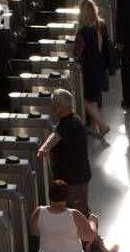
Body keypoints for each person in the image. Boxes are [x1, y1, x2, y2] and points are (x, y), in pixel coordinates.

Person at [37, 90, 93, 218]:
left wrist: (45, 148)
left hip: (74, 180)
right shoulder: (69, 120)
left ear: (58, 106)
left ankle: (88, 237)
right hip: (72, 178)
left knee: (78, 215)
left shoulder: (71, 123)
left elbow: (56, 137)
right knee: (77, 212)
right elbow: (57, 133)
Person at [74, 0, 110, 139]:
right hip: (100, 65)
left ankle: (102, 125)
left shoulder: (82, 31)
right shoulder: (100, 26)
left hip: (88, 68)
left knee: (84, 98)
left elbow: (78, 52)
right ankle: (93, 127)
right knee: (93, 98)